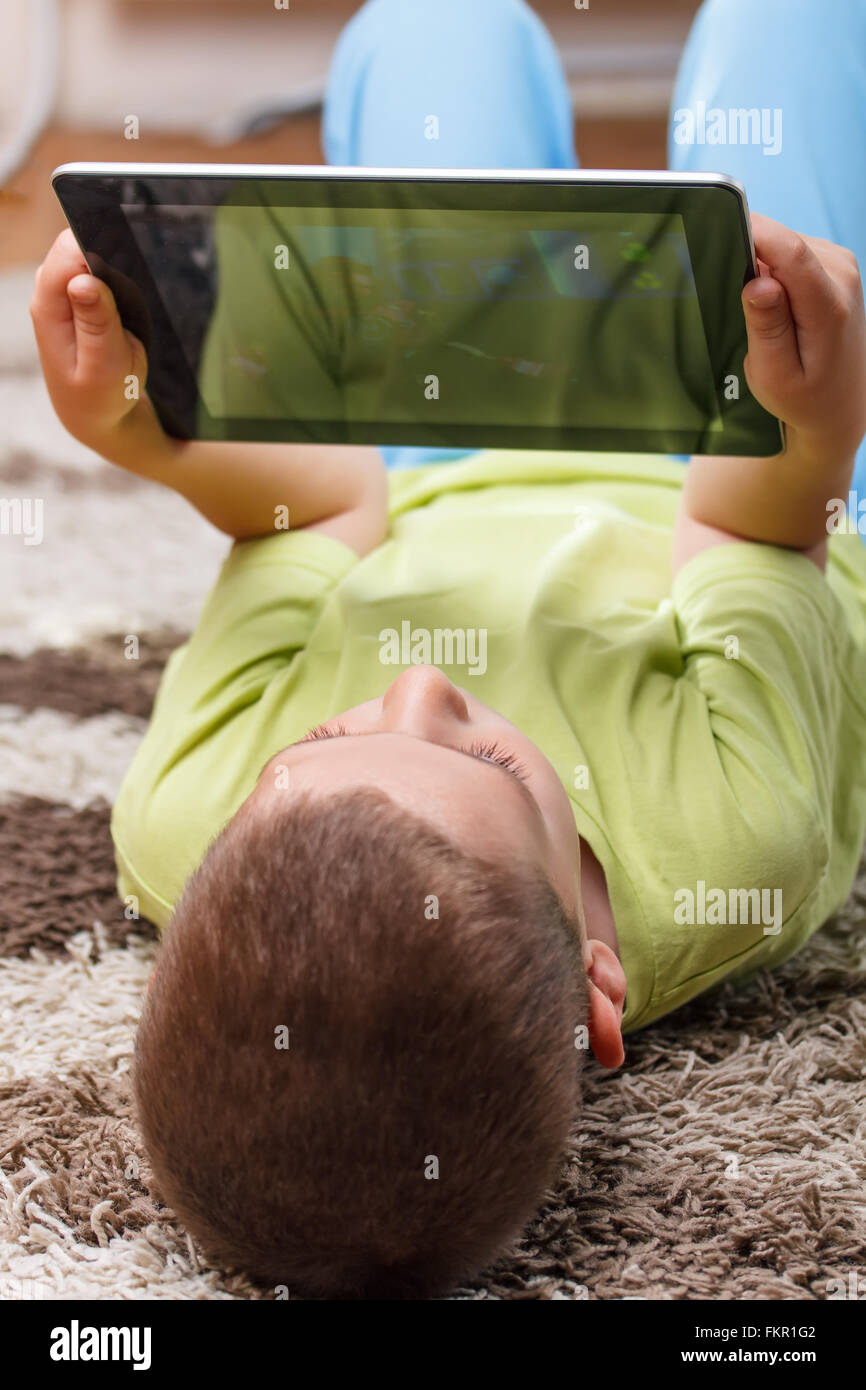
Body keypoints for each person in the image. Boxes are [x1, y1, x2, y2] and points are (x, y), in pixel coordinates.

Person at [29, 0, 866, 1300]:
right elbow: (751, 535)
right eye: (485, 755)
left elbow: (329, 513)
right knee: (788, 30)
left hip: (441, 455)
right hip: (747, 482)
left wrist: (147, 436)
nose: (408, 682)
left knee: (437, 26)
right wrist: (809, 417)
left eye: (329, 734)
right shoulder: (733, 844)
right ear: (597, 985)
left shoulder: (190, 815)